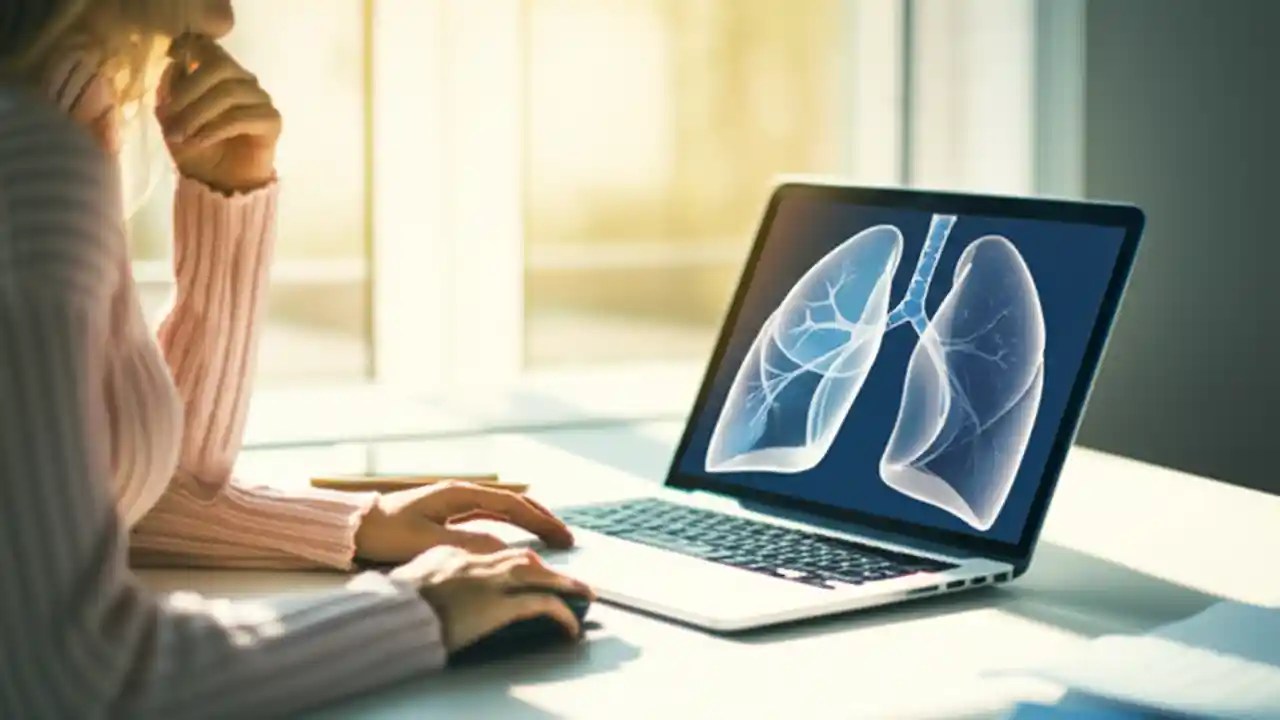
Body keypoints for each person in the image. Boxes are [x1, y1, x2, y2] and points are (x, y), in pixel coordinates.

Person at [0, 1, 593, 716]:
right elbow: (71, 674)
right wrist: (417, 610)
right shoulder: (27, 157)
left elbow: (109, 494)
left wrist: (348, 525)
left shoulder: (62, 103)